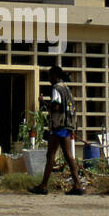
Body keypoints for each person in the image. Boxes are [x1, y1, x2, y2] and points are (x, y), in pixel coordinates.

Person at [31, 65, 84, 195]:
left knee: (51, 155)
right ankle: (77, 185)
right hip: (67, 125)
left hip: (58, 125)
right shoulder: (67, 88)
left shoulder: (56, 88)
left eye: (49, 76)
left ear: (55, 76)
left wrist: (43, 103)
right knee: (68, 155)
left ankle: (43, 186)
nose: (48, 78)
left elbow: (56, 106)